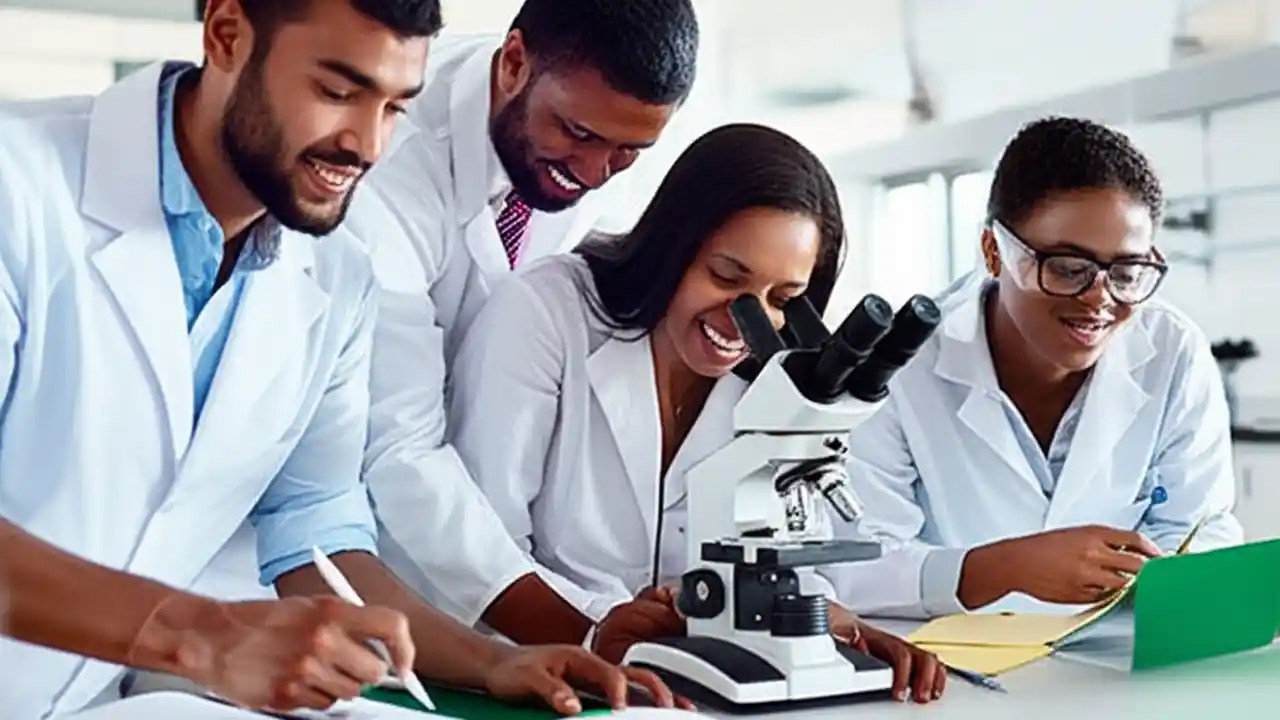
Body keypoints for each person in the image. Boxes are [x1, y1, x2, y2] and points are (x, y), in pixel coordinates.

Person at [0, 1, 674, 717]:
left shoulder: (338, 273)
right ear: (226, 35)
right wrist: (199, 634)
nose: (368, 144)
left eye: (394, 107)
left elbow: (315, 534)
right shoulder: (18, 189)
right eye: (337, 91)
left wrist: (494, 660)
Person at [445, 123, 949, 705]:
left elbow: (769, 549)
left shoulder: (774, 380)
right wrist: (593, 627)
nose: (747, 318)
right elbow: (480, 537)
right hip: (525, 668)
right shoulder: (545, 313)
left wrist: (839, 632)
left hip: (677, 687)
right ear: (673, 246)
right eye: (727, 277)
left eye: (783, 300)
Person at [344, 0, 701, 640]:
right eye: (579, 135)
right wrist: (579, 631)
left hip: (477, 535)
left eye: (628, 153)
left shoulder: (592, 134)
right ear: (513, 64)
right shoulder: (391, 163)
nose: (594, 173)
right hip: (350, 532)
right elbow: (396, 445)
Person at [827, 116, 1244, 619]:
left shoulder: (1173, 351)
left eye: (1128, 272)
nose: (1099, 298)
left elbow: (1201, 528)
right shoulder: (900, 362)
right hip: (950, 670)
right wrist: (1003, 567)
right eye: (1068, 269)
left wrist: (1163, 582)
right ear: (993, 251)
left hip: (1112, 664)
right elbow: (854, 562)